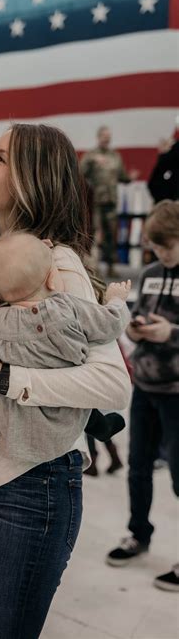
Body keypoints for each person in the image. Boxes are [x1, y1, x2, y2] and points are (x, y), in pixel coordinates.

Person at [0, 124, 131, 639]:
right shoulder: (4, 254)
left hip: (34, 488)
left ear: (33, 179)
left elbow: (111, 384)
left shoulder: (57, 263)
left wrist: (9, 378)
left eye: (0, 158)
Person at [0, 232, 129, 483]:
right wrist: (116, 301)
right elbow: (111, 325)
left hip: (12, 418)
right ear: (53, 279)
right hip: (65, 414)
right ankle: (102, 429)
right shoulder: (70, 308)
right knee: (80, 408)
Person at [106, 199, 179, 592]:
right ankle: (138, 534)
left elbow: (171, 328)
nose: (163, 255)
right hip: (146, 388)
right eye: (157, 248)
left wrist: (173, 333)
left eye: (169, 247)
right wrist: (135, 330)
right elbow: (141, 316)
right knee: (137, 467)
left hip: (177, 392)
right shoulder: (150, 273)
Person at [80, 126, 135, 276]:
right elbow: (79, 172)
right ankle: (93, 267)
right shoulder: (91, 155)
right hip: (95, 201)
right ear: (98, 137)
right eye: (104, 135)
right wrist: (91, 161)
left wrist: (130, 178)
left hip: (111, 201)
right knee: (95, 233)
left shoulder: (115, 156)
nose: (107, 138)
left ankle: (110, 266)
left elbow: (122, 175)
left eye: (109, 136)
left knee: (111, 234)